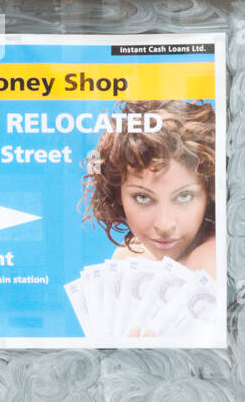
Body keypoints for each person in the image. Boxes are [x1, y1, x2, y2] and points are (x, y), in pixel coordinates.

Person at [81, 99, 217, 278]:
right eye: (143, 198)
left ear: (210, 192)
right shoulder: (129, 257)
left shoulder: (212, 259)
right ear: (117, 195)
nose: (164, 225)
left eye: (184, 196)